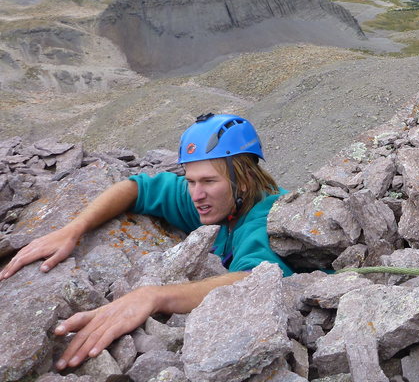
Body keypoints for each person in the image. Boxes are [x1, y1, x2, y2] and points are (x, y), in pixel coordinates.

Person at [0, 113, 292, 370]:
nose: (196, 194)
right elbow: (136, 188)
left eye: (208, 181)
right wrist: (74, 229)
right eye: (190, 181)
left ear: (244, 180)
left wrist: (153, 297)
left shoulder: (268, 217)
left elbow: (256, 278)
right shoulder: (218, 200)